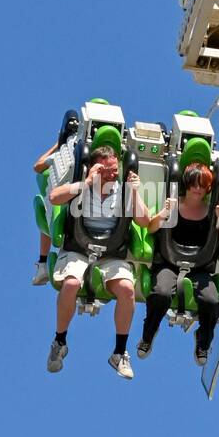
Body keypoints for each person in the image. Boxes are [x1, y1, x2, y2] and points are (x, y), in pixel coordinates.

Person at [46, 147, 151, 379]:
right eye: (106, 170)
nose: (112, 174)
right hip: (79, 250)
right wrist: (85, 183)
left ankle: (119, 353)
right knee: (72, 284)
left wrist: (134, 192)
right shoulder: (84, 185)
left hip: (110, 255)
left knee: (126, 289)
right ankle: (59, 342)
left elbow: (144, 221)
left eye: (115, 170)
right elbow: (54, 197)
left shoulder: (123, 190)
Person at [137, 162, 219, 367]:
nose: (197, 188)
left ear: (208, 188)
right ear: (186, 184)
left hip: (199, 267)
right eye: (194, 183)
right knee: (161, 293)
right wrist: (163, 213)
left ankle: (203, 342)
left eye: (203, 184)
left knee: (211, 300)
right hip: (169, 263)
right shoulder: (172, 205)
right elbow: (152, 229)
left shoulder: (211, 211)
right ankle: (148, 335)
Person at [31, 111, 79, 285]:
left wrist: (59, 144)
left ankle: (43, 263)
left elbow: (37, 166)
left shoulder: (63, 154)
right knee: (45, 201)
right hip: (71, 201)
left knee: (45, 202)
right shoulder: (68, 153)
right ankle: (43, 263)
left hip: (72, 202)